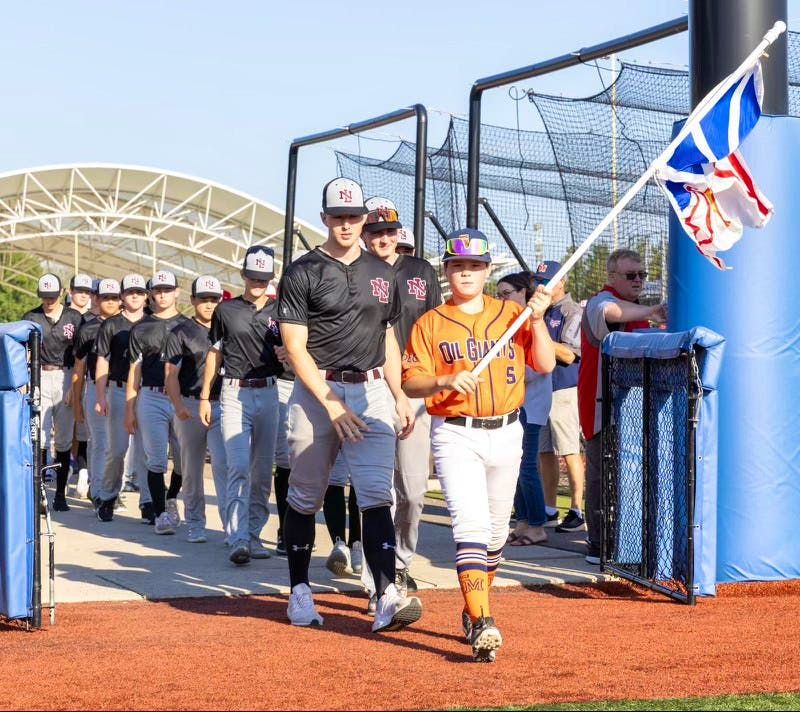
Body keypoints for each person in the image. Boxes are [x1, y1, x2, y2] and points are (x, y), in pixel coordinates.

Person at [402, 229, 554, 662]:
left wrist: (538, 320)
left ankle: (474, 605)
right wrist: (445, 379)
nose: (465, 273)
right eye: (457, 265)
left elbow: (543, 364)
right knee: (468, 526)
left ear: (487, 270)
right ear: (446, 270)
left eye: (474, 266)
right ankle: (482, 619)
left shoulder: (511, 313)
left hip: (507, 430)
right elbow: (411, 382)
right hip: (456, 431)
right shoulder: (430, 322)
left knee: (494, 533)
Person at [277, 177, 419, 632]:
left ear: (364, 218)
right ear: (324, 218)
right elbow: (295, 347)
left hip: (373, 387)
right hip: (318, 391)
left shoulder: (383, 273)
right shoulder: (302, 271)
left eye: (354, 216)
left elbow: (389, 336)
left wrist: (398, 394)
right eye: (338, 217)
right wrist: (333, 404)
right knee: (305, 495)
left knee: (378, 495)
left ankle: (386, 596)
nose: (346, 224)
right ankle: (299, 590)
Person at [360, 196, 443, 602]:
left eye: (390, 230)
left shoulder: (420, 272)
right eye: (375, 231)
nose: (384, 237)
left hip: (416, 386)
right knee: (377, 488)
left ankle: (403, 561)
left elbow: (438, 325)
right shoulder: (353, 272)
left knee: (412, 490)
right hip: (371, 385)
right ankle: (376, 571)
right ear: (363, 234)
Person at [578, 249, 666, 565]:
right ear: (613, 276)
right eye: (632, 275)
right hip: (602, 405)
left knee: (629, 475)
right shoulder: (601, 300)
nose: (639, 280)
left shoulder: (637, 309)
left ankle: (628, 541)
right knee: (604, 475)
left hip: (634, 407)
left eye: (642, 274)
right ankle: (599, 544)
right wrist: (655, 310)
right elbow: (611, 312)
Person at [199, 246, 283, 565]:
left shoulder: (281, 310)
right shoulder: (225, 310)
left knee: (262, 471)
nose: (258, 283)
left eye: (264, 278)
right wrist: (206, 396)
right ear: (243, 275)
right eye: (253, 277)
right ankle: (236, 537)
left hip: (270, 391)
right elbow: (214, 353)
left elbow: (295, 347)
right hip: (234, 391)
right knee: (237, 465)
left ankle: (254, 533)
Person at [164, 276, 228, 544]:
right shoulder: (181, 331)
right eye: (203, 299)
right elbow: (170, 373)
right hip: (190, 405)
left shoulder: (226, 328)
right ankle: (196, 523)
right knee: (191, 469)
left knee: (225, 467)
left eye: (214, 299)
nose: (209, 304)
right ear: (192, 300)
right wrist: (178, 406)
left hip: (223, 403)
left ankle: (231, 528)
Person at [125, 271, 188, 534]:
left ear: (177, 292)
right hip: (151, 395)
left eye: (167, 289)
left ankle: (172, 496)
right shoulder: (141, 327)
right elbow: (134, 370)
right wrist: (130, 407)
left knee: (185, 460)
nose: (162, 294)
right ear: (151, 294)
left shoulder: (188, 325)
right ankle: (160, 513)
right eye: (158, 290)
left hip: (183, 396)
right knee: (157, 459)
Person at [495, 272, 551, 547]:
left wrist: (501, 368)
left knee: (527, 466)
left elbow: (537, 367)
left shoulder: (533, 321)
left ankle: (537, 525)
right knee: (514, 466)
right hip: (515, 404)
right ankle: (524, 521)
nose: (501, 299)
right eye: (499, 294)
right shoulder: (509, 322)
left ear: (523, 293)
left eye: (506, 293)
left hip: (531, 405)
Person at [531, 261, 586, 533]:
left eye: (547, 282)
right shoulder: (543, 311)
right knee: (544, 452)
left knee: (569, 450)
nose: (542, 287)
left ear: (561, 281)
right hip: (542, 388)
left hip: (565, 388)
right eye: (539, 281)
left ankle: (577, 510)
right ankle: (549, 509)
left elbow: (568, 354)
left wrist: (536, 332)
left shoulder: (571, 311)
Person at [23, 274, 85, 512]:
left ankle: (60, 493)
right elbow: (24, 351)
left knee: (63, 438)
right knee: (39, 433)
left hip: (66, 375)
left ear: (61, 294)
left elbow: (81, 357)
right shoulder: (31, 317)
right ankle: (39, 492)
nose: (48, 300)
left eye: (52, 296)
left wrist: (75, 386)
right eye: (44, 296)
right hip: (39, 375)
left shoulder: (74, 318)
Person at [93, 273, 151, 521]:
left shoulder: (154, 323)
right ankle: (107, 496)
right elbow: (102, 361)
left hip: (147, 392)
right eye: (130, 292)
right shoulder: (112, 325)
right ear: (122, 296)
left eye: (139, 292)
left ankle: (148, 501)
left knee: (146, 451)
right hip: (117, 390)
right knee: (116, 449)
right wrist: (100, 396)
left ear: (145, 296)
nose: (135, 296)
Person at [72, 278, 122, 503]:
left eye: (114, 297)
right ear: (96, 298)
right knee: (100, 441)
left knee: (119, 445)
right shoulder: (88, 328)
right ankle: (100, 491)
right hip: (94, 386)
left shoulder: (127, 326)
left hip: (122, 388)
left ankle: (110, 489)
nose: (110, 302)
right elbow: (79, 369)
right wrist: (76, 403)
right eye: (105, 297)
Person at [65, 273, 96, 499]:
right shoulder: (65, 316)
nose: (84, 295)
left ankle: (84, 472)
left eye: (88, 292)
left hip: (88, 377)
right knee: (67, 427)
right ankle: (64, 470)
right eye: (79, 291)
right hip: (65, 373)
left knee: (84, 427)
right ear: (71, 292)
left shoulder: (95, 319)